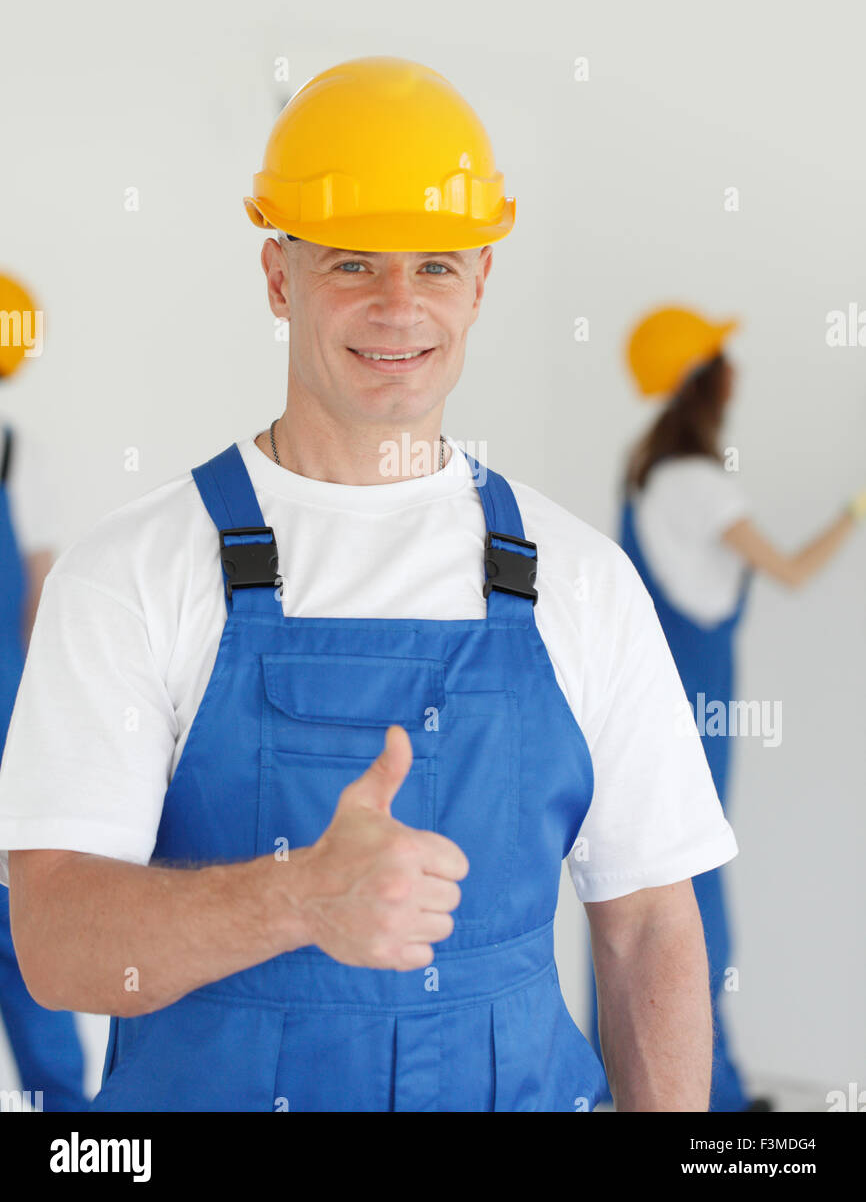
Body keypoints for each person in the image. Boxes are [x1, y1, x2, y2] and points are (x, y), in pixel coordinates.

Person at [3, 59, 740, 1112]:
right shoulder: (130, 574)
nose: (398, 305)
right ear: (276, 275)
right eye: (352, 262)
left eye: (435, 265)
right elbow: (58, 944)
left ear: (480, 282)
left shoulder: (580, 580)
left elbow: (647, 925)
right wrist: (297, 895)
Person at [589, 305, 866, 1112]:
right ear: (704, 377)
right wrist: (854, 511)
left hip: (649, 704)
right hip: (693, 708)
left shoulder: (644, 473)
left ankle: (638, 1080)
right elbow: (788, 571)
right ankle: (708, 1093)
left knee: (635, 881)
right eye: (725, 353)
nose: (736, 366)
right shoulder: (698, 482)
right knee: (686, 892)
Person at [0, 272, 88, 1112]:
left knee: (16, 932)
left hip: (3, 725)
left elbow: (39, 602)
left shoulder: (19, 454)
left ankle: (65, 1124)